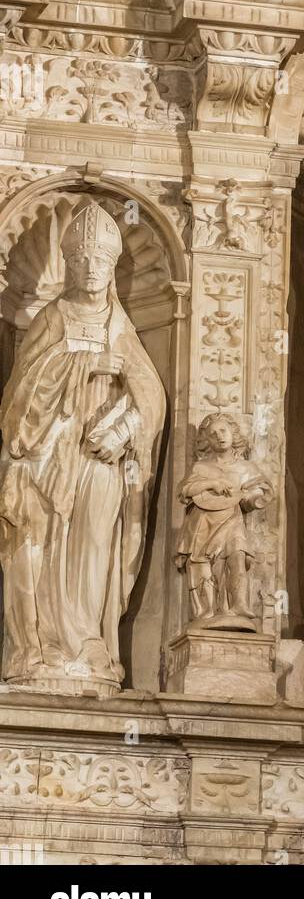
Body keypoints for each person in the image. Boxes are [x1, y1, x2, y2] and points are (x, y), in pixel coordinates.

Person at [0, 201, 165, 689]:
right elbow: (20, 391)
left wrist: (125, 428)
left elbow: (151, 393)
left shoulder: (120, 324)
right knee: (41, 544)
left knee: (95, 542)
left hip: (99, 457)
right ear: (69, 264)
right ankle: (40, 647)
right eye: (82, 260)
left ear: (112, 267)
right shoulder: (55, 314)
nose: (91, 269)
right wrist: (78, 361)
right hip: (49, 452)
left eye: (100, 261)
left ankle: (88, 640)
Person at [175, 413, 271, 629]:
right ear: (206, 441)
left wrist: (255, 498)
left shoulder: (246, 468)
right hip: (203, 523)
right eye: (213, 434)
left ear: (233, 433)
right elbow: (184, 491)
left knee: (237, 555)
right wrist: (211, 483)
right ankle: (206, 612)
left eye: (223, 431)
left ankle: (240, 606)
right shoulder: (201, 467)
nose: (219, 437)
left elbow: (254, 494)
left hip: (232, 520)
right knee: (203, 565)